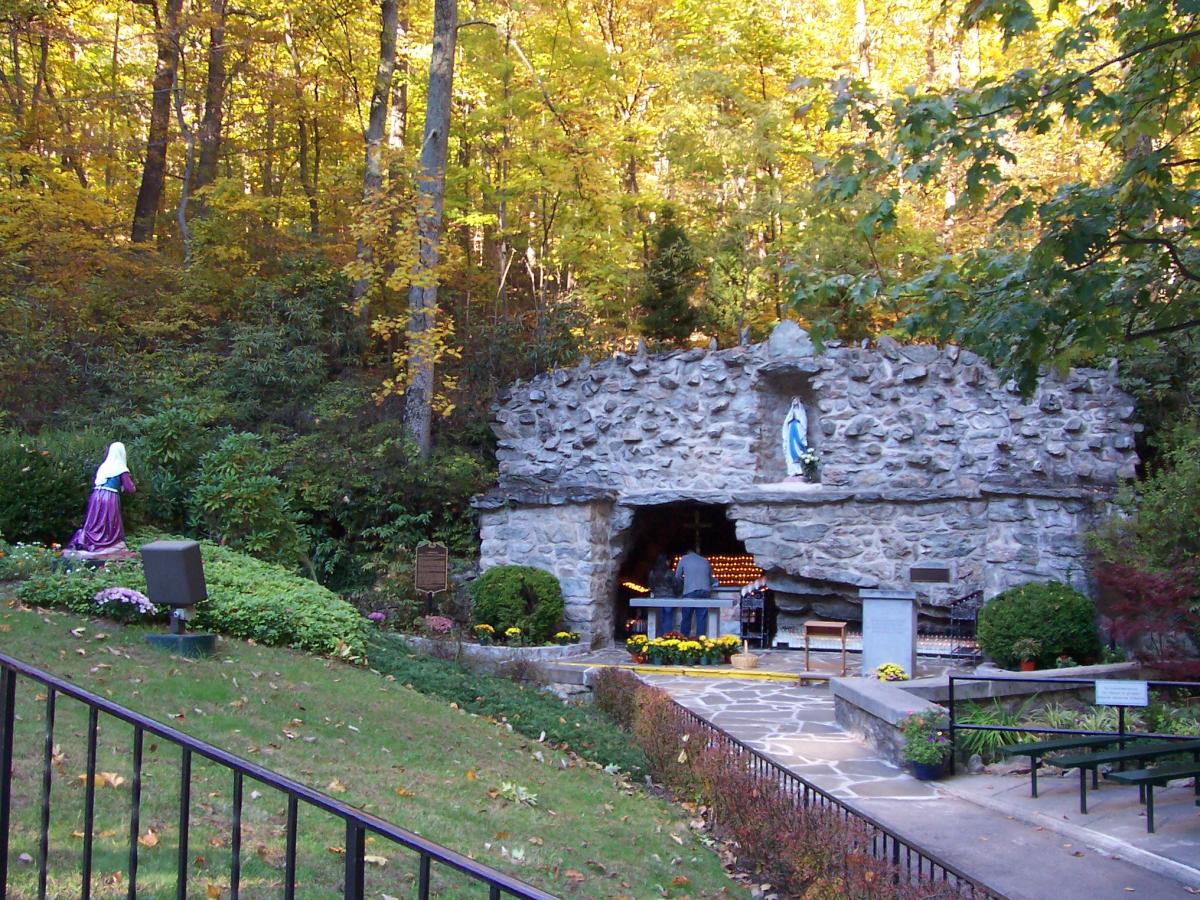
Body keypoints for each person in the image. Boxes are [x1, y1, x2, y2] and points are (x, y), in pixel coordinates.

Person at [66, 442, 136, 556]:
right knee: (109, 521)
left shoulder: (103, 467)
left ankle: (87, 540)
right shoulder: (121, 468)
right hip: (109, 497)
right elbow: (129, 488)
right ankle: (107, 543)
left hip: (96, 496)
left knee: (95, 521)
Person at [673, 550, 714, 638]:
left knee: (686, 617)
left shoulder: (684, 559)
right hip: (705, 592)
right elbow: (711, 579)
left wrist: (684, 583)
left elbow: (677, 576)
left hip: (690, 591)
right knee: (701, 618)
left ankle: (683, 640)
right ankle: (701, 641)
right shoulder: (704, 560)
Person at [647, 552, 678, 636]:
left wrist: (656, 591)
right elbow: (676, 585)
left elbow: (651, 585)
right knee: (668, 618)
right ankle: (667, 636)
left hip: (657, 597)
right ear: (666, 561)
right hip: (669, 598)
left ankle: (658, 637)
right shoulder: (670, 573)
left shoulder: (652, 573)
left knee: (659, 618)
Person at [782, 397, 809, 478]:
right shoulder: (791, 412)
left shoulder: (801, 412)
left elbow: (804, 423)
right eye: (794, 401)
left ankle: (800, 470)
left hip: (798, 430)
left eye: (796, 401)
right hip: (791, 430)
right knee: (791, 450)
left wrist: (798, 419)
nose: (795, 403)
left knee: (799, 449)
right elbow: (786, 423)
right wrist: (790, 420)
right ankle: (792, 471)